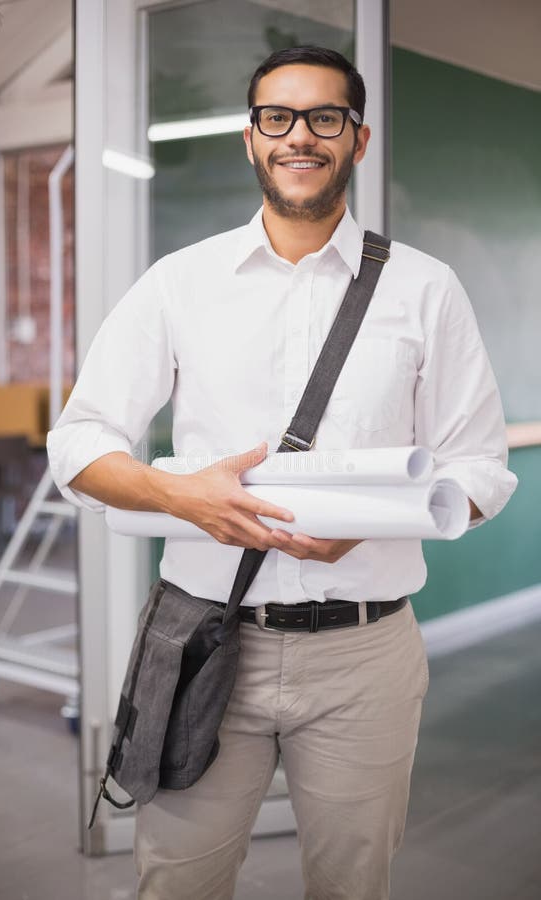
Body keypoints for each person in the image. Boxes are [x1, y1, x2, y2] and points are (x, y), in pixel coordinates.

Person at [48, 45, 517, 900]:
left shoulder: (425, 288)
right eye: (278, 117)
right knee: (176, 883)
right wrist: (178, 494)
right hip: (202, 643)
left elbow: (482, 467)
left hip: (366, 655)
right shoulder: (179, 285)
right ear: (251, 138)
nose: (300, 137)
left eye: (324, 118)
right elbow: (77, 442)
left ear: (358, 139)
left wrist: (380, 520)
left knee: (353, 884)